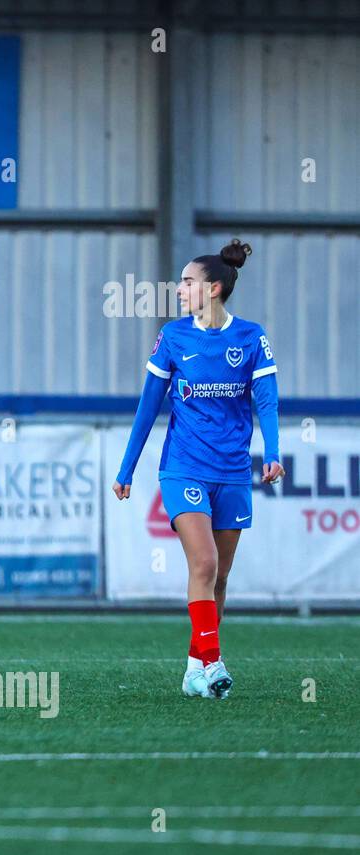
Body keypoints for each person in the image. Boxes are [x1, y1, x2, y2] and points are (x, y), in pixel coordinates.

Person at [113, 240, 281, 700]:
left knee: (219, 577)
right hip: (183, 468)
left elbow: (266, 399)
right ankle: (213, 662)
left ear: (214, 288)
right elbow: (148, 407)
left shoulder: (251, 338)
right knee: (203, 562)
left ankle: (193, 668)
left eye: (187, 282)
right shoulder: (173, 337)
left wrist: (272, 451)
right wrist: (127, 468)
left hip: (232, 471)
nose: (180, 289)